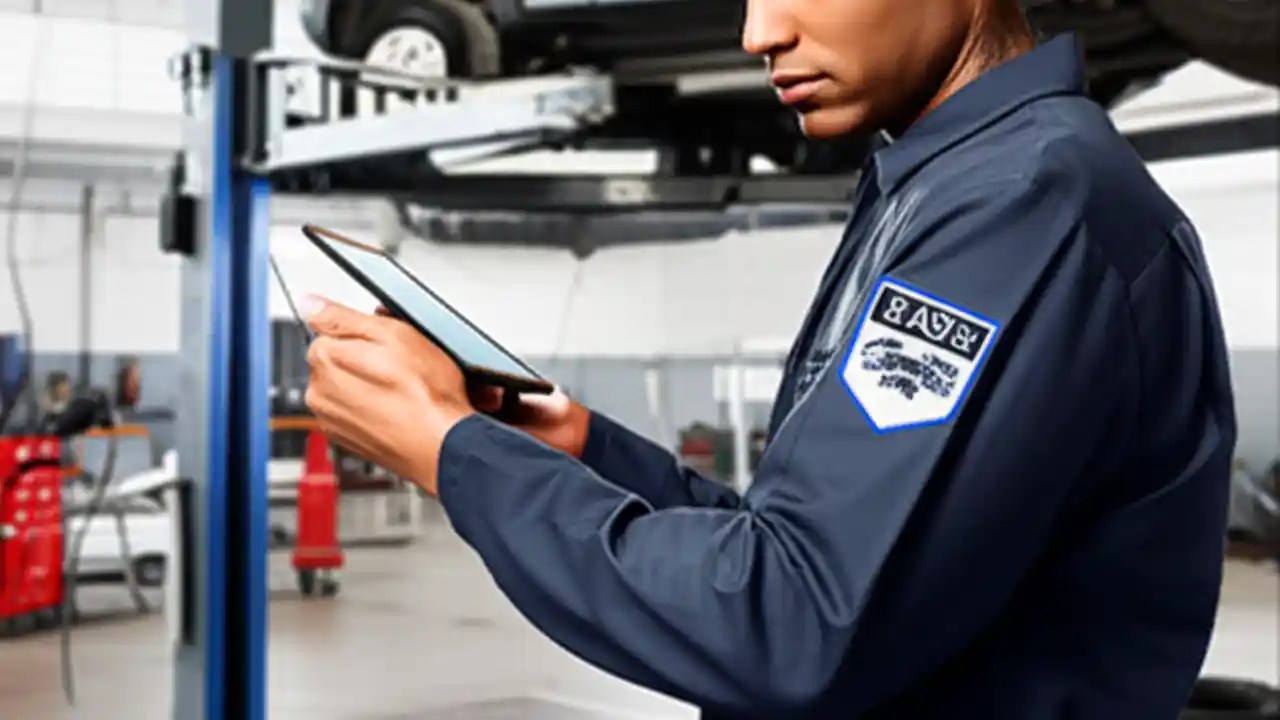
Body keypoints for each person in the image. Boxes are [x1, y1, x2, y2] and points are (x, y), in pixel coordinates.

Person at [301, 0, 1237, 716]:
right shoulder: (945, 184)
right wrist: (571, 441)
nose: (758, 32)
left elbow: (790, 624)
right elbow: (806, 547)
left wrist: (455, 451)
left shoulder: (1022, 204)